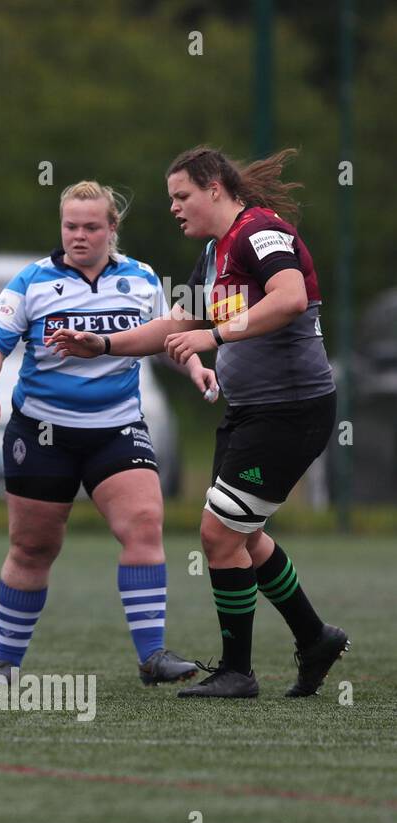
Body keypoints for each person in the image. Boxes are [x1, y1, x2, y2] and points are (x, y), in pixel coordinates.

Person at [51, 148, 346, 698]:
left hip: (290, 411)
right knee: (245, 536)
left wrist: (215, 336)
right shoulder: (215, 252)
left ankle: (239, 671)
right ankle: (314, 636)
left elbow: (289, 298)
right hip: (251, 412)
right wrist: (104, 345)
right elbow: (176, 323)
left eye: (181, 196)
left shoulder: (260, 234)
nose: (173, 208)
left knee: (218, 534)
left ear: (214, 188)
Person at [0, 180, 207, 687]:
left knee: (144, 526)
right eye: (70, 226)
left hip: (116, 427)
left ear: (112, 229)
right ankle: (6, 663)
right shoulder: (32, 280)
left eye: (91, 227)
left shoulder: (141, 279)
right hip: (42, 431)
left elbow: (168, 338)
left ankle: (153, 656)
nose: (79, 236)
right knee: (34, 548)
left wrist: (196, 368)